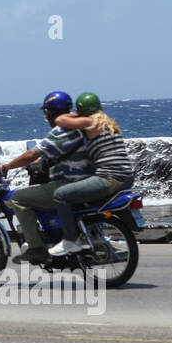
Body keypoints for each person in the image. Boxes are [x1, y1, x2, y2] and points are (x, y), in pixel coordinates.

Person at [0, 91, 95, 265]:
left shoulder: (60, 131)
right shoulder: (82, 130)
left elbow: (31, 154)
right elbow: (57, 153)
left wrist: (5, 167)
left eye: (46, 112)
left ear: (50, 113)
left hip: (66, 185)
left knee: (18, 198)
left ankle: (36, 249)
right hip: (88, 183)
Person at [45, 92, 135, 256]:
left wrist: (72, 113)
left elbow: (60, 120)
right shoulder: (107, 123)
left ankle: (70, 241)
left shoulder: (90, 121)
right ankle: (93, 234)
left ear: (81, 110)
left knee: (60, 195)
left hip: (109, 178)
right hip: (125, 177)